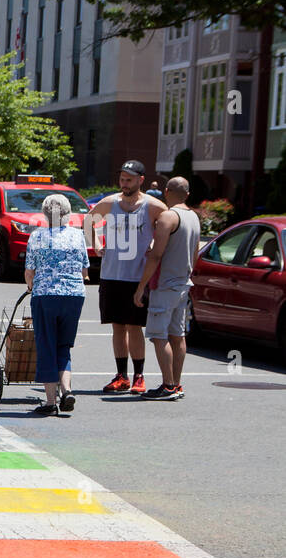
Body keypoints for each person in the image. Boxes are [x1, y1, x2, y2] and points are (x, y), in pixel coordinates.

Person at [82, 159, 166, 395]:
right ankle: (121, 376)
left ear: (141, 180)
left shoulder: (153, 206)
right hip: (111, 275)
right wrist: (96, 243)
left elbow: (169, 225)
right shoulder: (110, 203)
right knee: (117, 327)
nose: (124, 183)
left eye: (129, 179)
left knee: (134, 326)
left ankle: (139, 376)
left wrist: (156, 245)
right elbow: (88, 220)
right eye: (122, 179)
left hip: (137, 277)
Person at [133, 176, 201, 400]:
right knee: (177, 335)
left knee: (158, 336)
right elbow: (195, 254)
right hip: (183, 283)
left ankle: (168, 385)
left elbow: (156, 255)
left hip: (165, 284)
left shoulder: (167, 217)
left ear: (166, 192)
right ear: (187, 194)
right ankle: (176, 384)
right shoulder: (194, 217)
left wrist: (141, 286)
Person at [24, 193, 90, 415]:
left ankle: (51, 402)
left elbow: (29, 272)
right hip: (74, 295)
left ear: (44, 213)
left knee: (46, 345)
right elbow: (84, 269)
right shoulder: (77, 236)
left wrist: (30, 286)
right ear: (67, 213)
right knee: (64, 345)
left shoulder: (36, 237)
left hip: (45, 295)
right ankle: (67, 389)